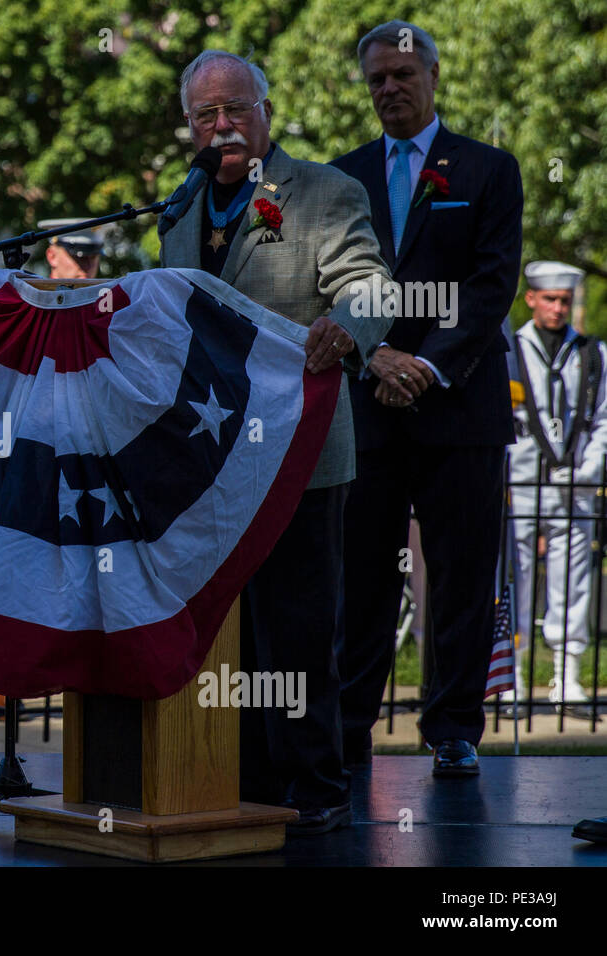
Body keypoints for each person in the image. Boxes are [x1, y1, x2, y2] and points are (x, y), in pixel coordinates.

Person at [158, 51, 392, 833]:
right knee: (230, 629)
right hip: (211, 464)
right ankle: (242, 780)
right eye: (204, 116)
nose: (220, 127)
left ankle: (315, 787)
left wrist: (346, 328)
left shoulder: (326, 192)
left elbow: (370, 283)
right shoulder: (180, 208)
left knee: (295, 631)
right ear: (189, 127)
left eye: (233, 110)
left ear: (265, 109)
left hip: (300, 455)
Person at [332, 20, 523, 778]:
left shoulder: (487, 169)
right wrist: (375, 357)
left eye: (402, 75)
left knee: (461, 575)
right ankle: (348, 726)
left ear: (433, 77)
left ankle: (451, 728)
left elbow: (489, 285)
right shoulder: (340, 180)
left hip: (460, 404)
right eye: (377, 78)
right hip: (368, 405)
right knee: (361, 576)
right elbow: (332, 283)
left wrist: (427, 365)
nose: (389, 89)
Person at [506, 261, 603, 713]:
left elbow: (603, 420)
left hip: (575, 484)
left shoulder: (594, 353)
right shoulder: (508, 348)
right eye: (549, 298)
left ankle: (567, 675)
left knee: (574, 579)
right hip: (521, 482)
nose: (557, 308)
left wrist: (588, 470)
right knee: (515, 578)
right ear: (531, 298)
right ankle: (513, 675)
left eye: (565, 300)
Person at [38, 219, 105, 280]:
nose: (88, 267)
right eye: (79, 258)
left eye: (93, 257)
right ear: (52, 257)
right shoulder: (34, 293)